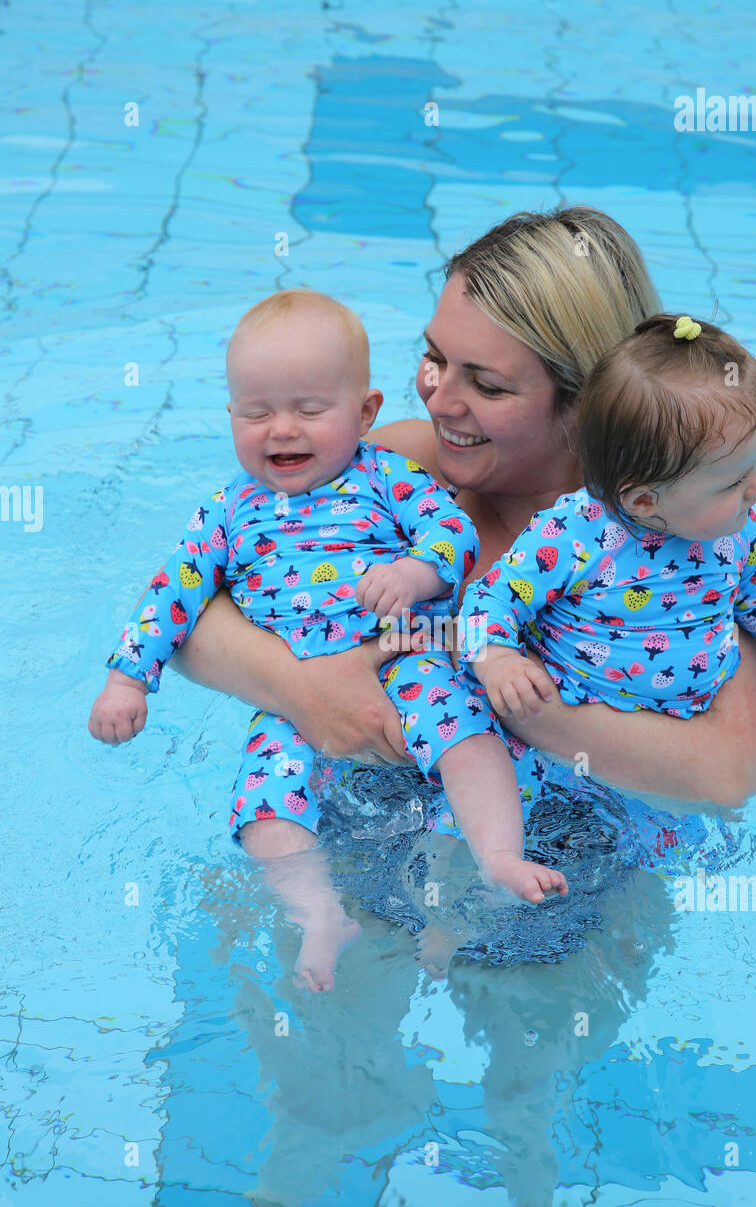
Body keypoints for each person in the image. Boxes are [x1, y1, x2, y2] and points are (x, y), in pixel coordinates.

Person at [162, 207, 756, 812]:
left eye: (487, 385)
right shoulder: (395, 473)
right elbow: (186, 606)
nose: (437, 398)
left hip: (584, 851)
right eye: (435, 358)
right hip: (359, 817)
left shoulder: (684, 532)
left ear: (585, 407)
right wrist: (300, 688)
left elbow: (731, 770)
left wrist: (488, 685)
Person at [88, 290, 565, 991]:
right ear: (231, 416)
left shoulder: (387, 476)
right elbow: (173, 592)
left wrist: (412, 572)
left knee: (468, 739)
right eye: (256, 412)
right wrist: (128, 678)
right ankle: (317, 912)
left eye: (309, 410)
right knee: (262, 801)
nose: (282, 430)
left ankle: (497, 857)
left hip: (409, 657)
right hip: (291, 702)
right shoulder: (227, 510)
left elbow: (454, 533)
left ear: (366, 413)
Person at [461, 313, 756, 725]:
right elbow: (489, 599)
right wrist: (497, 660)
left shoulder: (735, 532)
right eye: (734, 480)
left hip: (685, 730)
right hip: (574, 722)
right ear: (642, 501)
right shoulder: (574, 536)